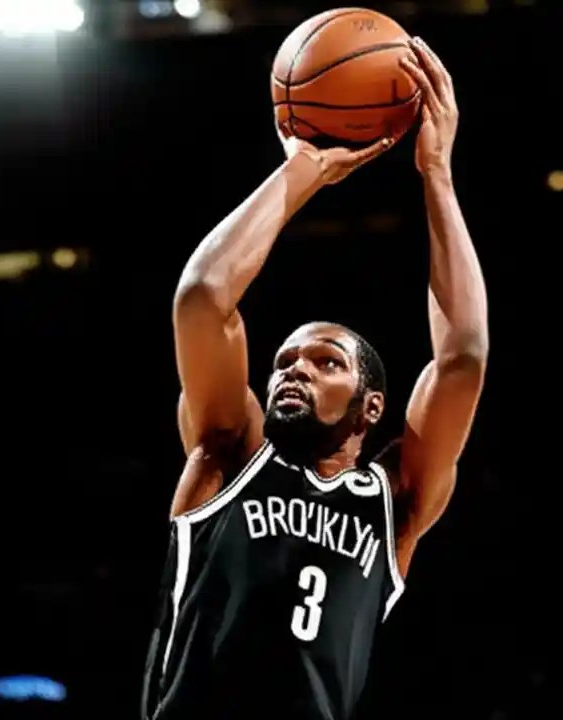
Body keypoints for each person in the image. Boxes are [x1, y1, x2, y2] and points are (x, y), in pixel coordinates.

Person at [141, 38, 487, 720]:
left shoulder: (394, 500)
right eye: (285, 362)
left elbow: (464, 356)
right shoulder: (229, 451)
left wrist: (437, 174)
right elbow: (203, 297)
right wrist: (303, 169)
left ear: (370, 407)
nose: (295, 367)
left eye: (326, 362)